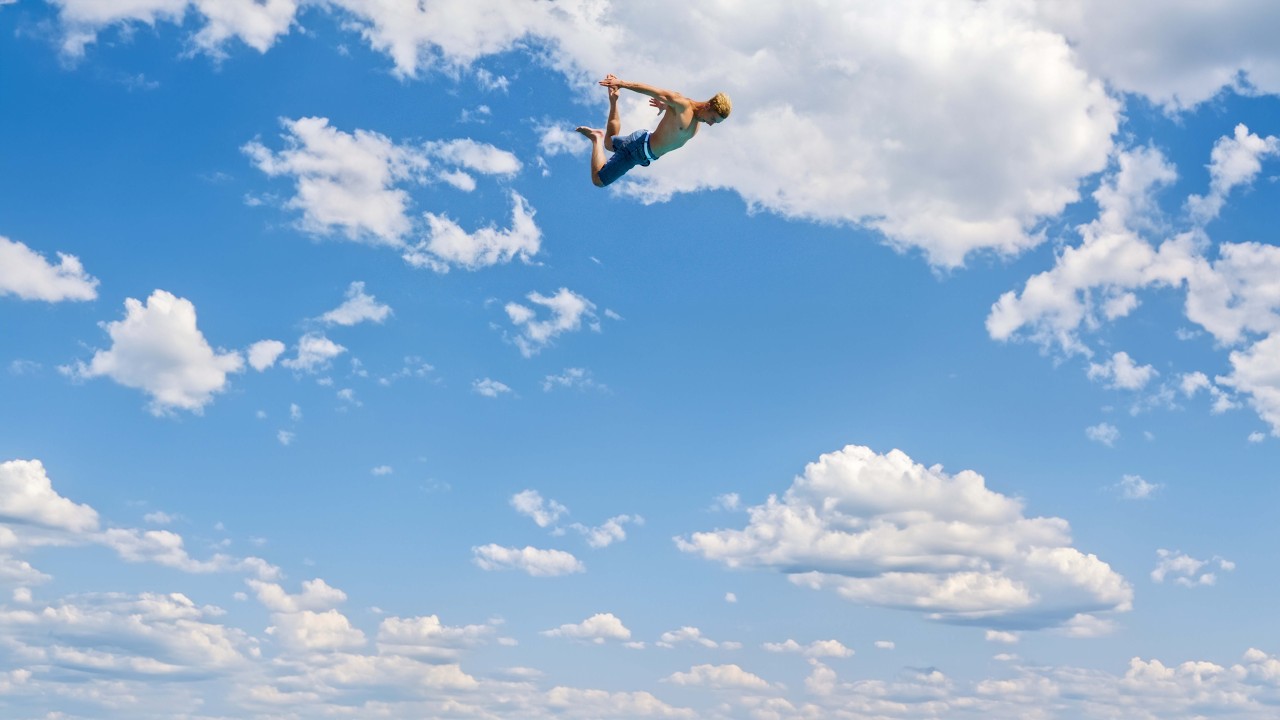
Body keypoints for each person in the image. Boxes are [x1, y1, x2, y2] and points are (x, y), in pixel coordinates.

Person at [576, 74, 731, 187]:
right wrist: (621, 83)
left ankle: (614, 101)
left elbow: (673, 126)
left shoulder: (696, 123)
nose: (711, 124)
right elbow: (651, 90)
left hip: (642, 150)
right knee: (599, 181)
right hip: (637, 149)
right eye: (713, 119)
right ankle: (596, 138)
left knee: (609, 144)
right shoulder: (682, 105)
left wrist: (665, 107)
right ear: (708, 106)